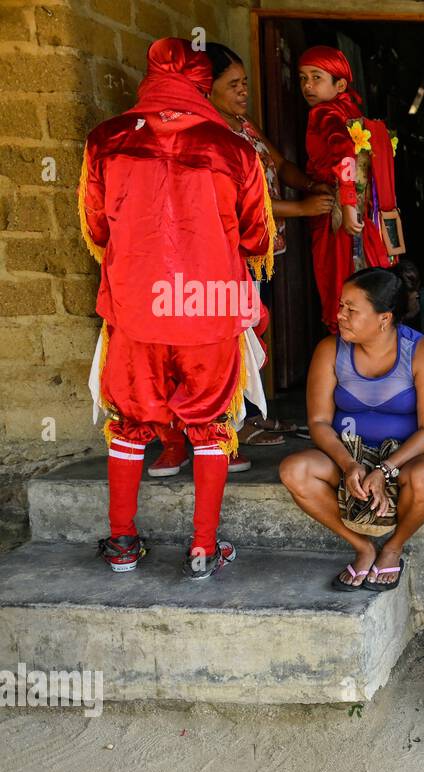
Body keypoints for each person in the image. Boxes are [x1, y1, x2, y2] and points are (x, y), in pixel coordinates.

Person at [78, 37, 275, 579]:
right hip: (208, 308)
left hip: (134, 309)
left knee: (127, 424)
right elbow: (258, 240)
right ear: (200, 85)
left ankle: (122, 542)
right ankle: (203, 549)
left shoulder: (107, 140)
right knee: (211, 427)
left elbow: (96, 227)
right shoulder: (233, 148)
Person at [148, 42, 335, 480]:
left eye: (245, 82)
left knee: (256, 337)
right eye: (233, 85)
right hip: (231, 256)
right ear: (204, 89)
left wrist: (310, 183)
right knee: (236, 340)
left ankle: (251, 410)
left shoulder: (243, 126)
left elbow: (280, 163)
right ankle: (233, 426)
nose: (243, 91)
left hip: (265, 251)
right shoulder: (210, 135)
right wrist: (304, 209)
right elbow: (235, 206)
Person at [279, 266, 424, 591]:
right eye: (341, 305)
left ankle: (393, 547)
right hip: (348, 453)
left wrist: (384, 470)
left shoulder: (422, 353)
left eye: (351, 310)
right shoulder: (330, 350)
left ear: (384, 318)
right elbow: (318, 423)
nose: (340, 315)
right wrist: (349, 465)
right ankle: (362, 547)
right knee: (294, 470)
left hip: (405, 459)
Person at [299, 45, 398, 333]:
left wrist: (346, 201)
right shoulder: (350, 111)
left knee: (337, 285)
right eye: (303, 78)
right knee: (360, 283)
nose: (307, 85)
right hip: (361, 210)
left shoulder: (323, 113)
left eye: (316, 77)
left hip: (340, 212)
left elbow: (343, 152)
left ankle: (344, 353)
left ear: (339, 84)